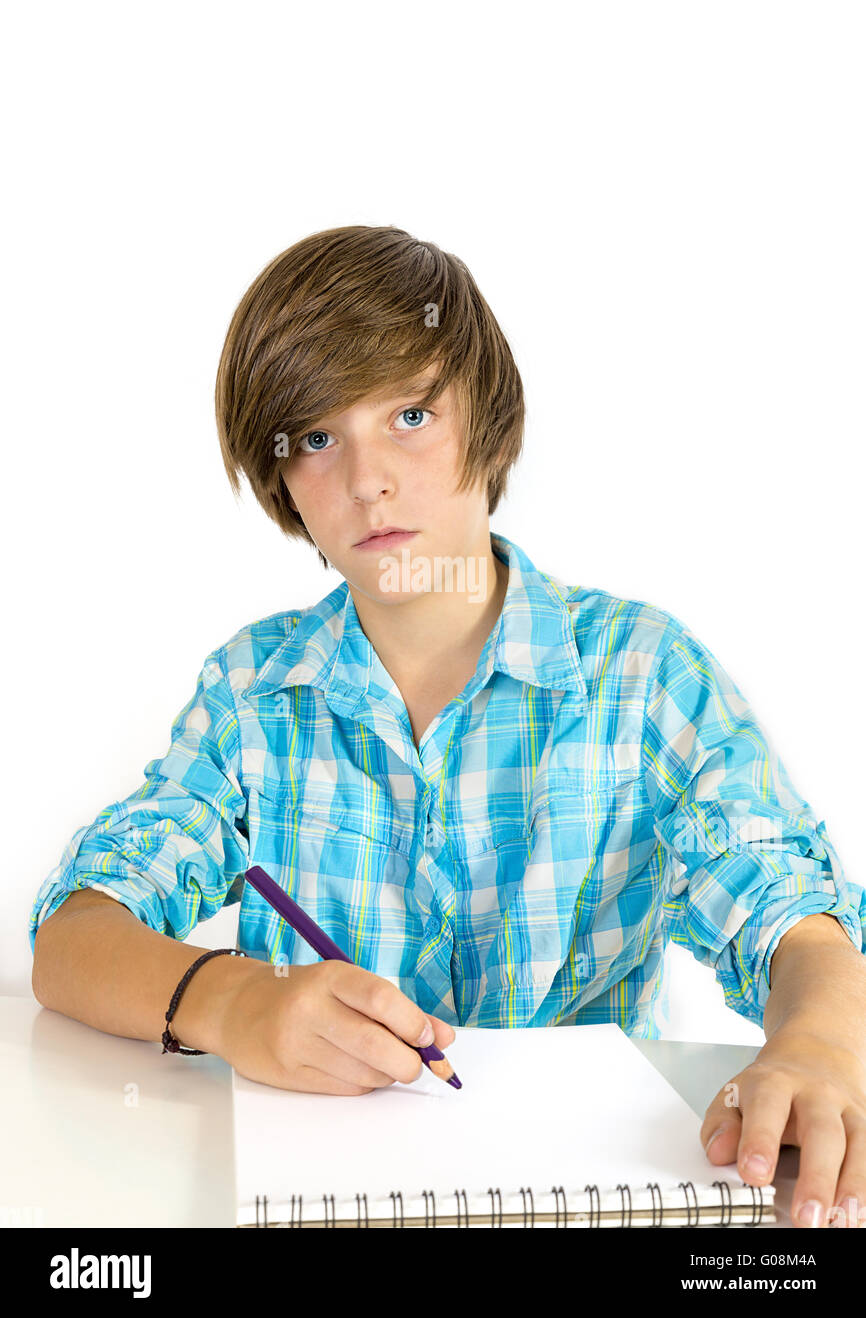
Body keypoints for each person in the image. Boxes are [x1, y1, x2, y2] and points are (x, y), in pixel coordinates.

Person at [29, 225, 866, 1229]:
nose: (368, 480)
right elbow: (75, 935)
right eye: (315, 438)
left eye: (411, 414)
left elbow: (785, 903)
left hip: (586, 1197)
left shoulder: (641, 673)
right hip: (319, 1197)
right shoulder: (255, 692)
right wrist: (230, 1001)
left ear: (493, 424)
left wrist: (819, 1038)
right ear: (281, 477)